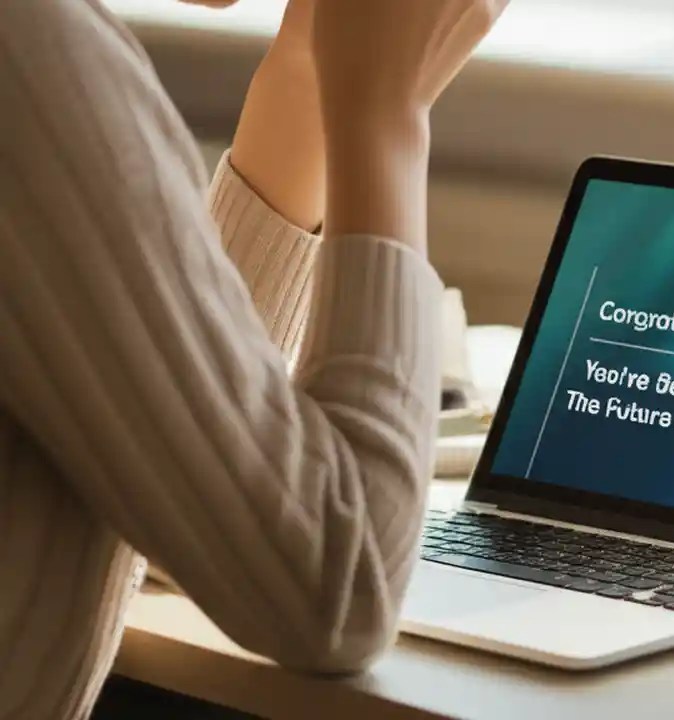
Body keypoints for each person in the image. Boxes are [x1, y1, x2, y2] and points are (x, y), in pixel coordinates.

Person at [0, 0, 508, 717]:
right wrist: (386, 114)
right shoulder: (28, 49)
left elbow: (195, 486)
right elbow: (333, 589)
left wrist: (309, 75)